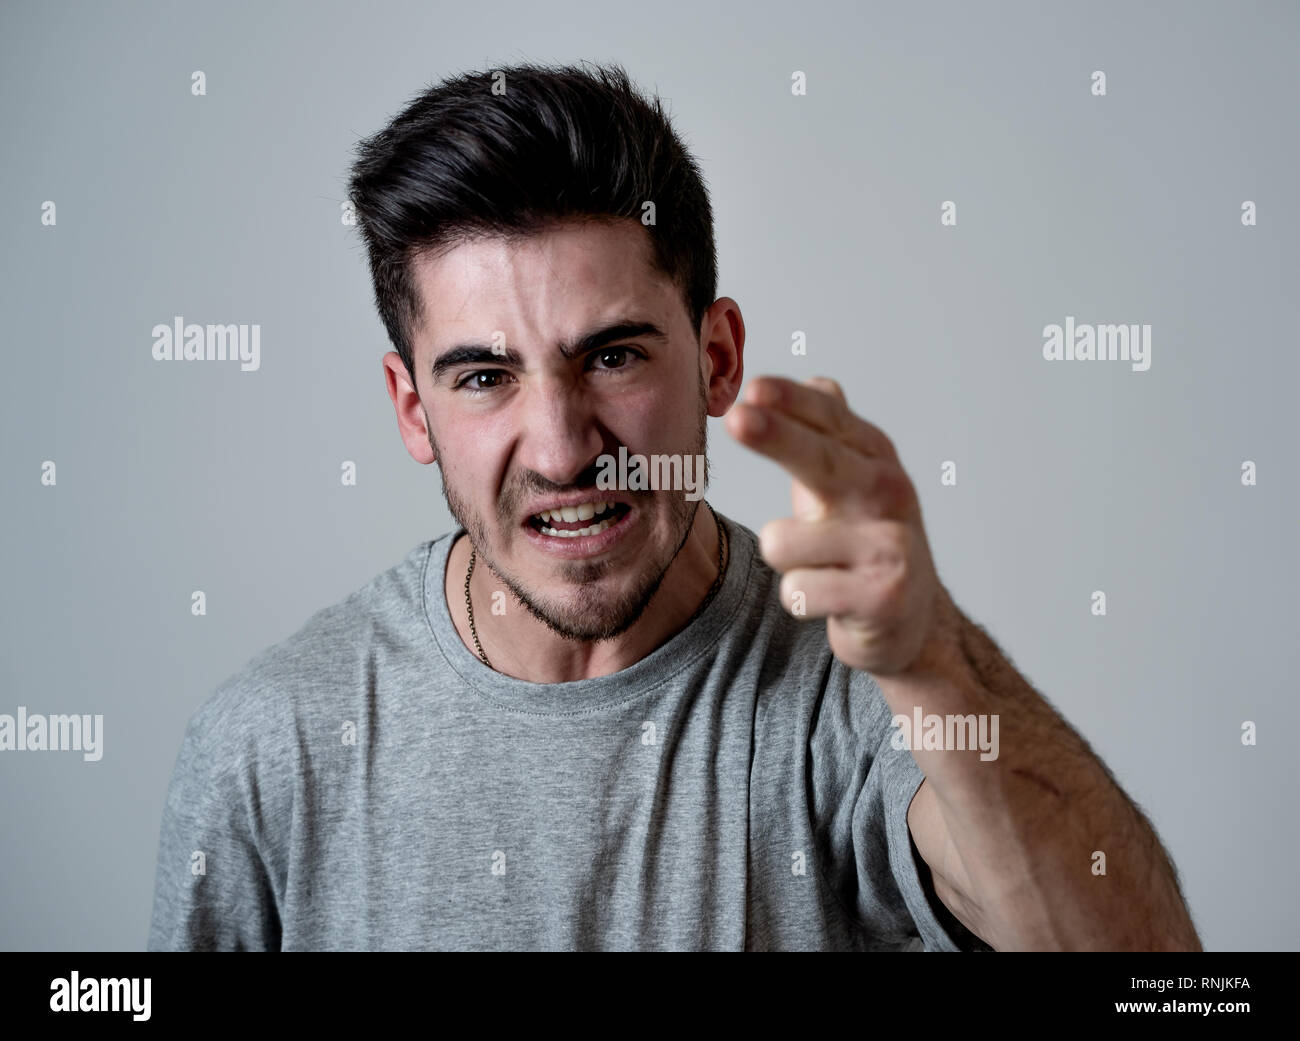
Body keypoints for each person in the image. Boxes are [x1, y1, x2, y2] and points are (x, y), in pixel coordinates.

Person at [147, 61, 1200, 951]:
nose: (562, 450)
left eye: (611, 357)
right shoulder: (269, 747)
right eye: (482, 377)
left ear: (717, 358)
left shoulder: (857, 696)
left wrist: (930, 660)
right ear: (410, 409)